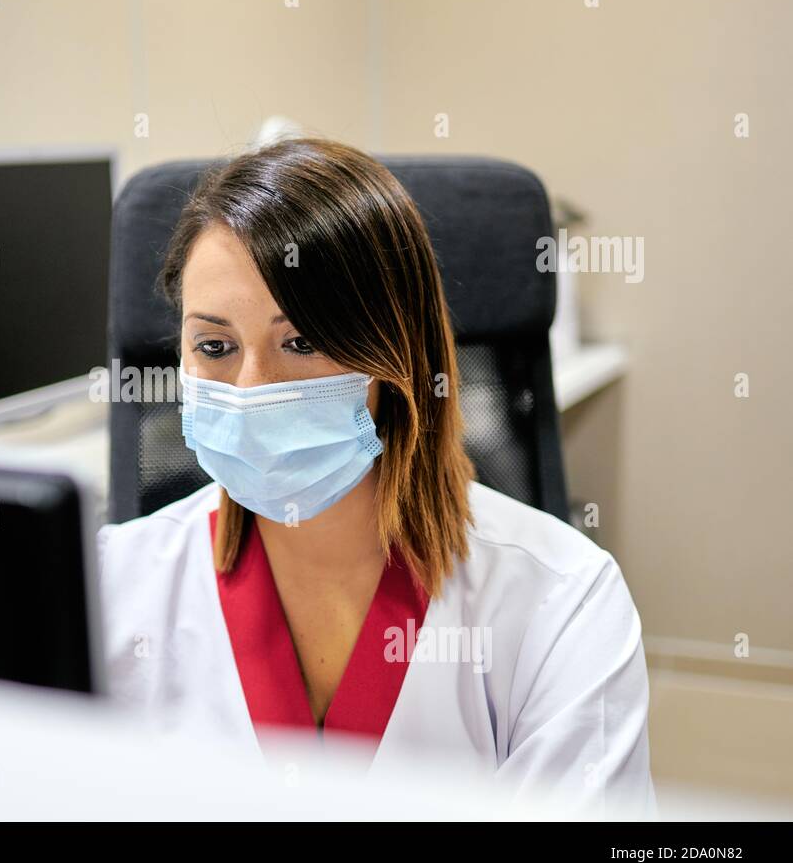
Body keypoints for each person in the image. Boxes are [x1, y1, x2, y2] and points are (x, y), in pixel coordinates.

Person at [96, 137, 655, 817]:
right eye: (214, 347)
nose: (250, 387)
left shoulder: (560, 603)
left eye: (301, 342)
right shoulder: (111, 590)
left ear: (395, 357)